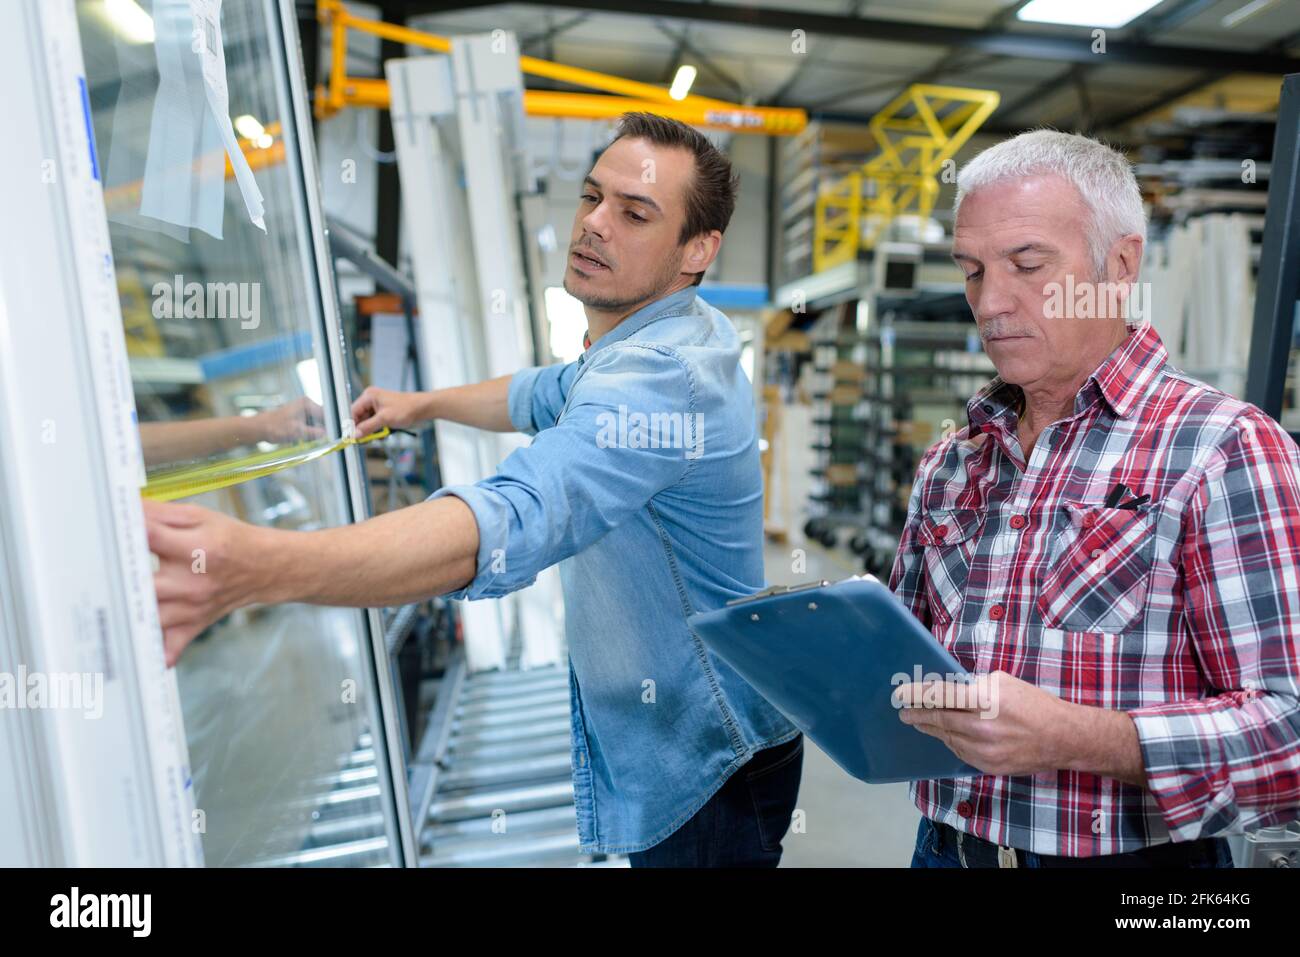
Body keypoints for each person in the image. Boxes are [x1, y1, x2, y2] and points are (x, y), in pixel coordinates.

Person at [143, 112, 802, 867]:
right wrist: (418, 405)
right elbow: (535, 391)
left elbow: (517, 513)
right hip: (692, 735)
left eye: (633, 213)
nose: (592, 223)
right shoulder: (653, 340)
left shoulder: (659, 381)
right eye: (592, 197)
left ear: (698, 250)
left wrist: (257, 566)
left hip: (706, 761)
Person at [891, 129, 1300, 867]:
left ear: (1119, 266)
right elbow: (899, 664)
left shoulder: (1222, 450)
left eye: (1026, 265)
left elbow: (1289, 730)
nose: (990, 301)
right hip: (945, 848)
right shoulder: (953, 462)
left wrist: (1078, 736)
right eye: (973, 270)